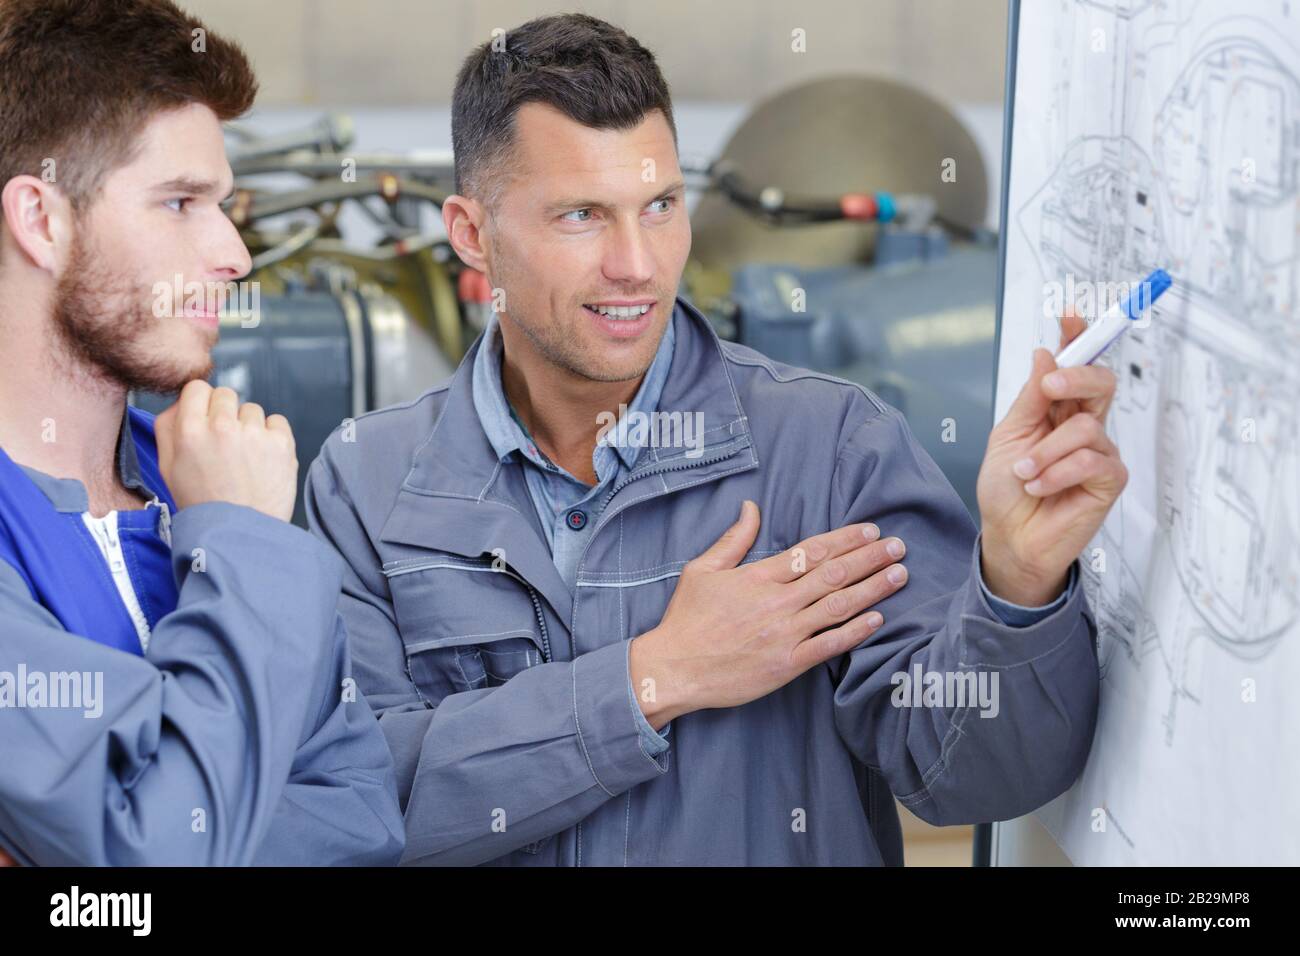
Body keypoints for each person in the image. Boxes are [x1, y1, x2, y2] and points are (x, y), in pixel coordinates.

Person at [305, 13, 1124, 865]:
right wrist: (656, 676)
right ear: (472, 234)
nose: (639, 264)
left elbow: (975, 778)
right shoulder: (369, 483)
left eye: (659, 206)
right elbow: (357, 809)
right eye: (582, 215)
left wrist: (1017, 588)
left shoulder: (832, 448)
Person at [0, 0, 403, 866]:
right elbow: (145, 854)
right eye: (181, 203)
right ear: (41, 220)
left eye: (225, 204)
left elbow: (363, 823)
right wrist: (249, 546)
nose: (235, 253)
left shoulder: (208, 486)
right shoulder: (239, 517)